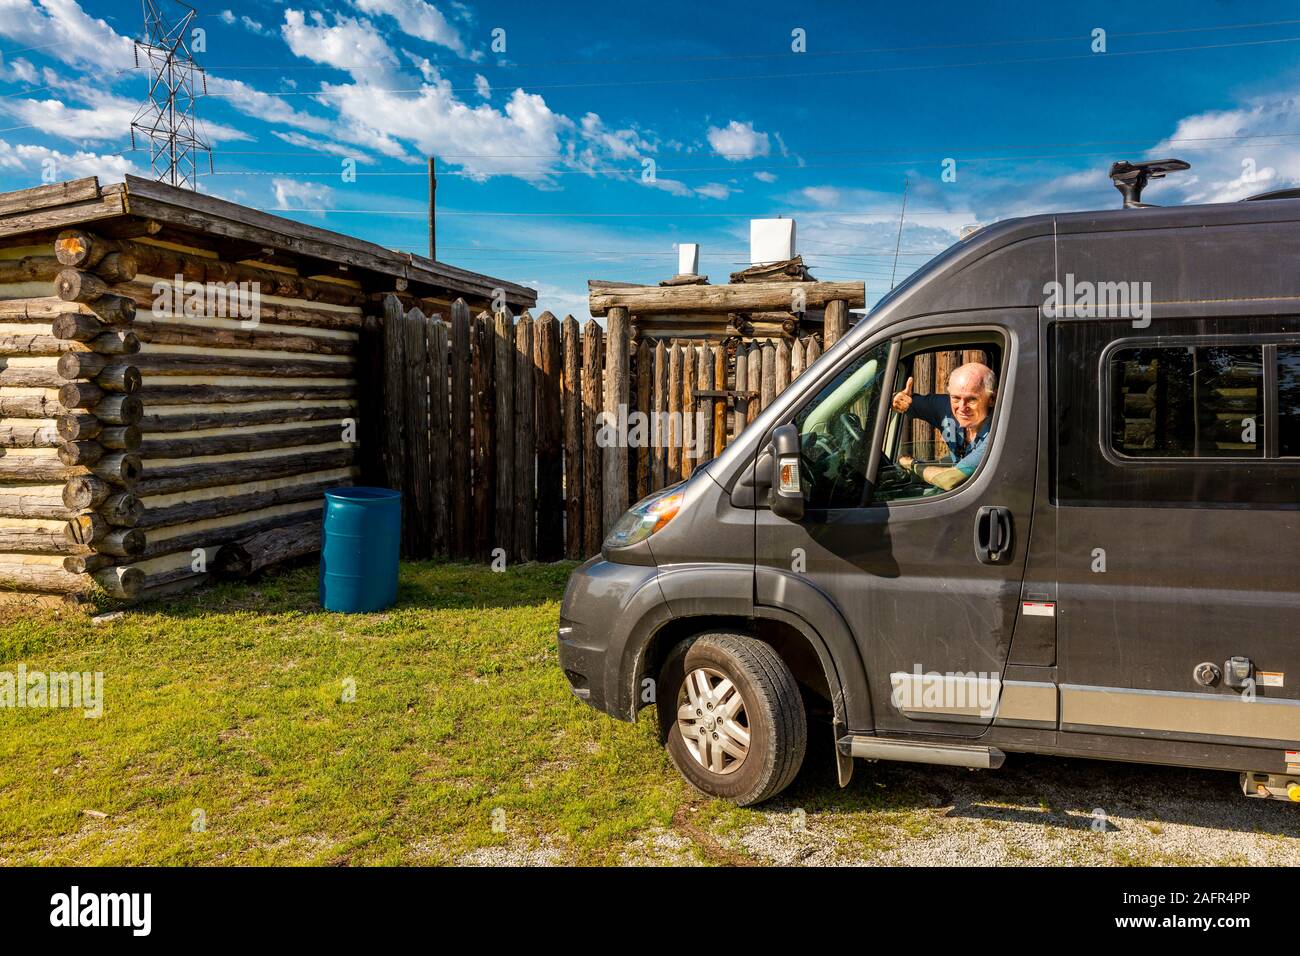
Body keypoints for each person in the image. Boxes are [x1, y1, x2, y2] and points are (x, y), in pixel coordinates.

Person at [890, 362, 996, 491]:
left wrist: (911, 464)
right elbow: (904, 402)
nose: (962, 408)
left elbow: (949, 480)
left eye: (972, 399)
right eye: (956, 398)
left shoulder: (997, 434)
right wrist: (895, 398)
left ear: (992, 399)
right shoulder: (944, 407)